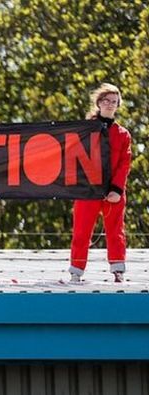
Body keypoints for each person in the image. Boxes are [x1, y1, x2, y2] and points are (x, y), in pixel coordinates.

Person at [69, 83, 133, 283]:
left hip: (113, 190)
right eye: (106, 101)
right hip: (89, 189)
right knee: (81, 230)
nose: (110, 105)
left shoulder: (123, 134)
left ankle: (118, 270)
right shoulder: (85, 130)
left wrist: (116, 189)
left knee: (115, 230)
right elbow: (73, 158)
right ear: (99, 102)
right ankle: (76, 271)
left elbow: (124, 164)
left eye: (114, 102)